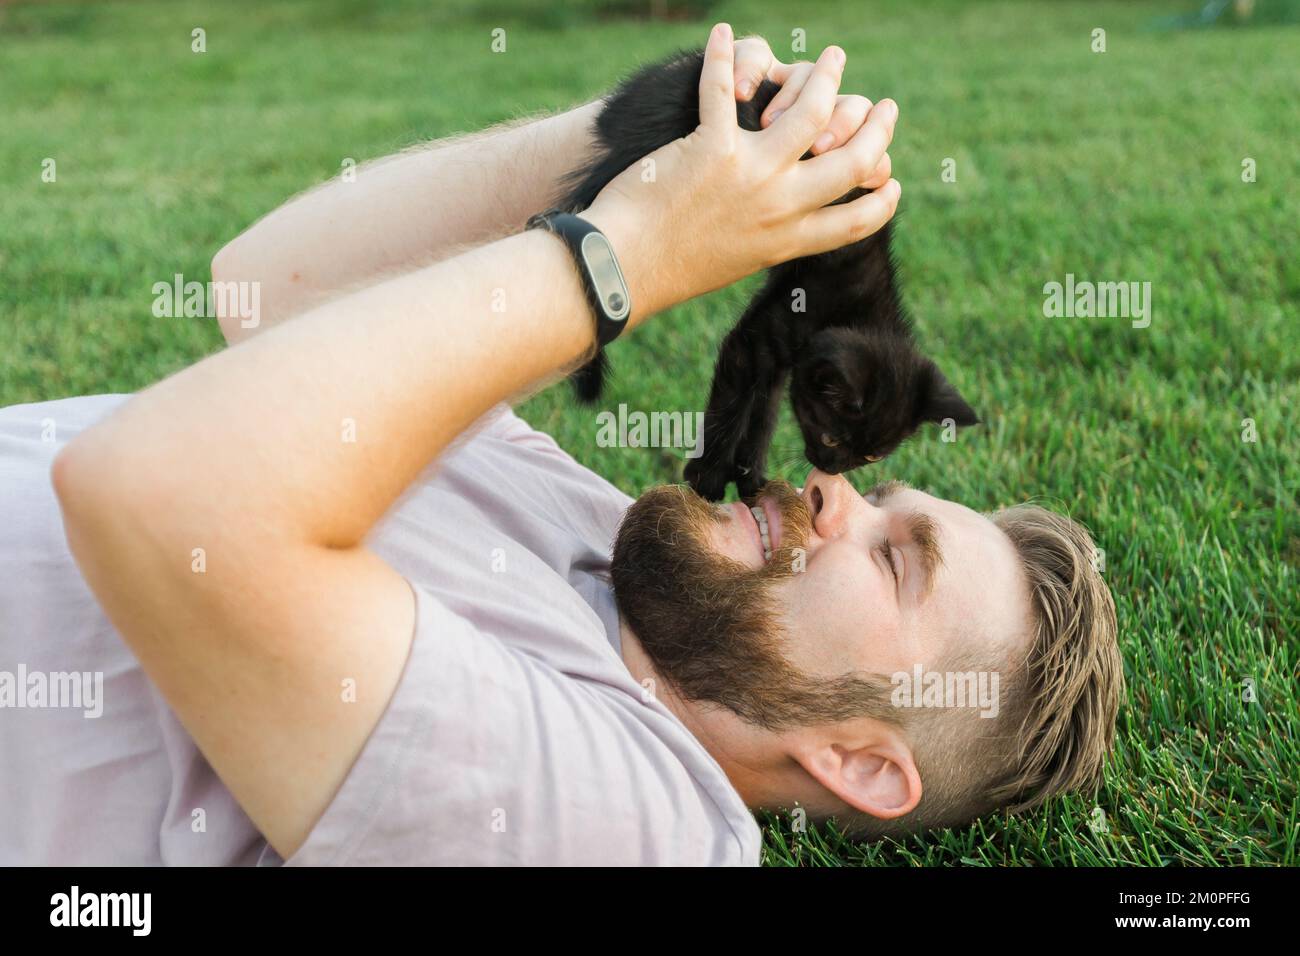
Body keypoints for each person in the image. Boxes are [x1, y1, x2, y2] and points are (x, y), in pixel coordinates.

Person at [0, 27, 1121, 866]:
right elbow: (268, 286)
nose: (833, 489)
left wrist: (620, 256)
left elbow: (152, 496)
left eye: (892, 555)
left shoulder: (637, 819)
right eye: (880, 498)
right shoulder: (592, 528)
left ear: (857, 760)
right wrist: (656, 135)